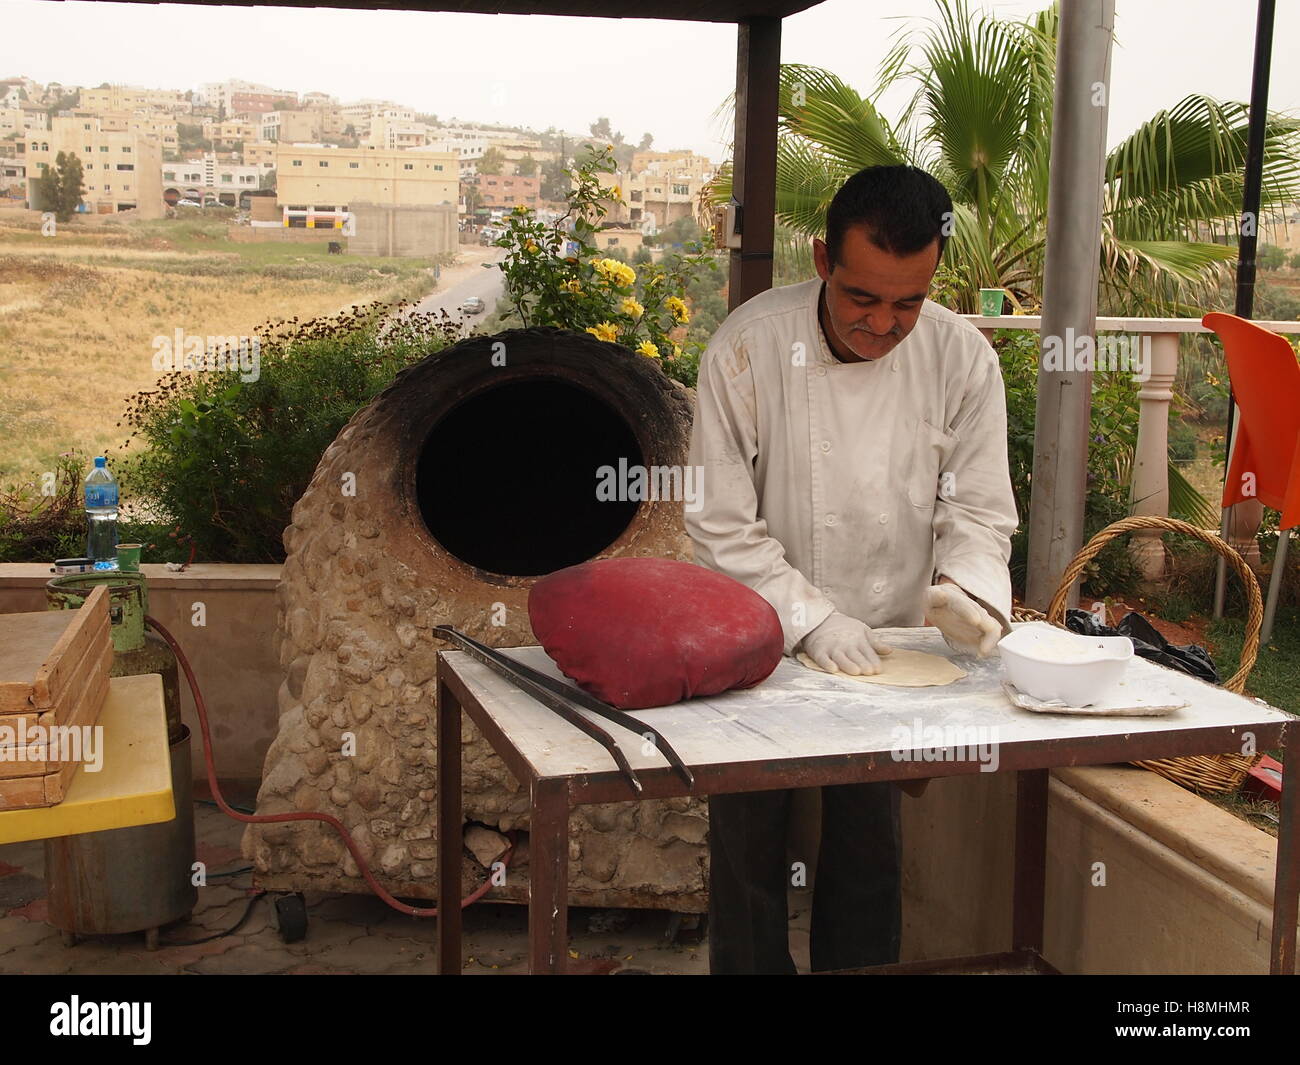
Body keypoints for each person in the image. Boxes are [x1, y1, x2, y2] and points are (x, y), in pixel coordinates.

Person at [685, 164, 1018, 974]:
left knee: (869, 846)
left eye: (908, 302)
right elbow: (720, 523)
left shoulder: (961, 359)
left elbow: (977, 509)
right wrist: (812, 619)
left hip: (890, 652)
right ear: (822, 260)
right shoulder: (748, 349)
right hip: (760, 638)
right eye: (862, 297)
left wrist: (969, 593)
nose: (882, 324)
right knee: (749, 843)